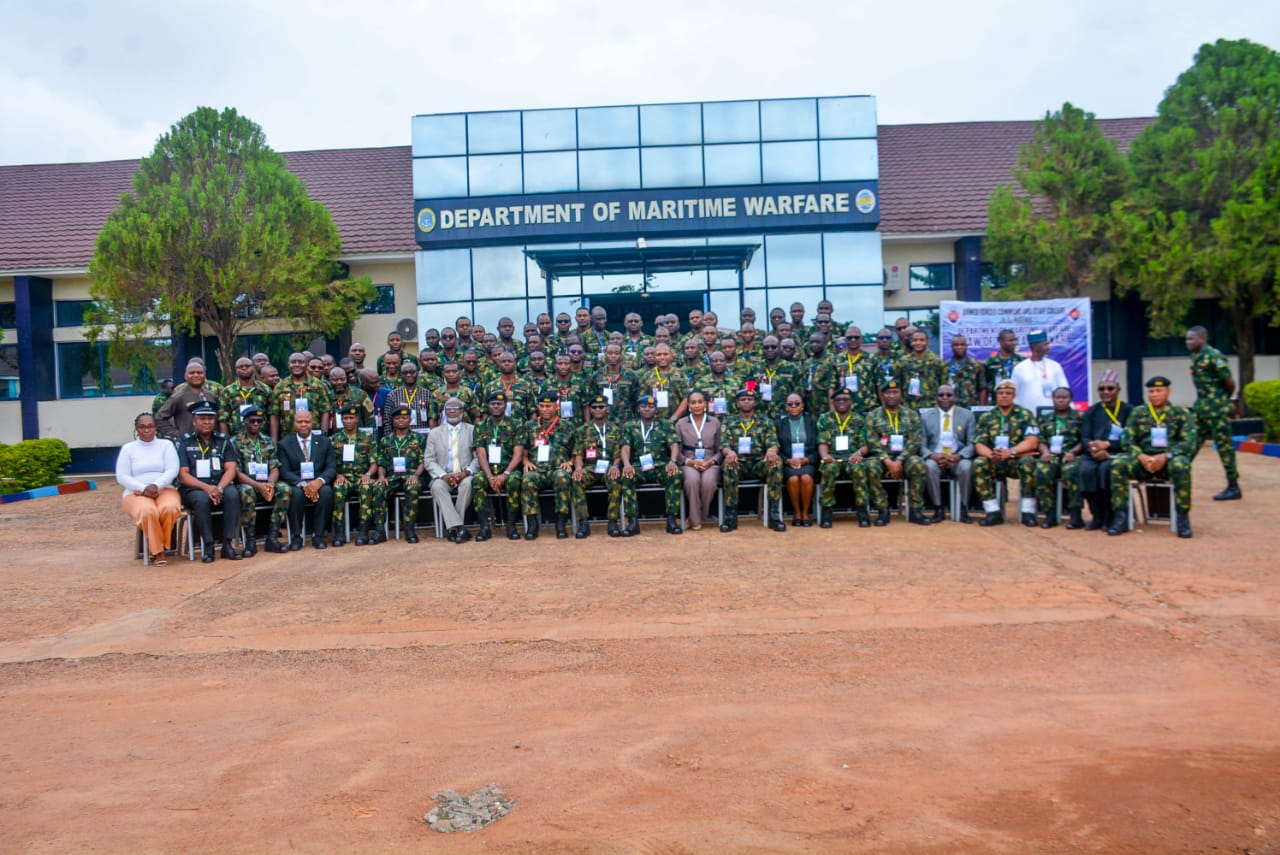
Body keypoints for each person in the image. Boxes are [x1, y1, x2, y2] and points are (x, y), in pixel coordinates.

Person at [1108, 376, 1197, 539]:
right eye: (1151, 391)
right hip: (1143, 460)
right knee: (1118, 465)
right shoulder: (1138, 412)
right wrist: (1141, 456)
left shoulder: (1182, 413)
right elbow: (1127, 439)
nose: (1154, 394)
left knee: (1182, 466)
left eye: (1159, 391)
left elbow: (1189, 442)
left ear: (1168, 392)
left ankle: (1182, 518)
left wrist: (1165, 456)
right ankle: (1120, 517)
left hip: (1168, 460)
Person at [176, 400, 243, 563]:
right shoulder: (185, 442)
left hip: (220, 485)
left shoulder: (223, 440)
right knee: (202, 499)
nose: (207, 422)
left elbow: (231, 469)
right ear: (194, 421)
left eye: (210, 419)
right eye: (202, 418)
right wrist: (206, 488)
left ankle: (228, 544)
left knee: (233, 495)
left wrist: (219, 488)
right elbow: (183, 475)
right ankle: (208, 545)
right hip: (194, 488)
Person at [861, 380, 932, 526]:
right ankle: (883, 510)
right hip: (881, 458)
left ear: (901, 394)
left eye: (895, 392)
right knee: (870, 466)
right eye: (888, 393)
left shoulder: (911, 415)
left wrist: (899, 461)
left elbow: (915, 441)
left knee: (918, 464)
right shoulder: (873, 416)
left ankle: (915, 510)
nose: (891, 396)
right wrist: (888, 461)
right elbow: (872, 441)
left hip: (905, 457)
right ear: (882, 395)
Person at [116, 412, 182, 565]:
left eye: (150, 426)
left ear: (156, 428)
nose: (146, 430)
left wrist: (156, 485)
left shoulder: (166, 445)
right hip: (136, 492)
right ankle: (159, 552)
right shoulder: (128, 449)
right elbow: (122, 476)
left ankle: (156, 546)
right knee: (147, 511)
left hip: (164, 488)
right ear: (136, 429)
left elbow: (172, 469)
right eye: (142, 427)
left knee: (170, 508)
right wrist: (143, 487)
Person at [973, 378, 1040, 526]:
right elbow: (979, 444)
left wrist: (1011, 452)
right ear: (995, 396)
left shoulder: (1025, 414)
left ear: (1014, 395)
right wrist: (991, 455)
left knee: (1029, 463)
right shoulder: (987, 417)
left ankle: (1028, 512)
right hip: (995, 460)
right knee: (978, 463)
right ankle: (992, 511)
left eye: (1008, 393)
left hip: (1016, 459)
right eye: (1001, 393)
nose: (1004, 396)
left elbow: (1032, 440)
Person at [1186, 326, 1241, 500]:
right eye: (1187, 339)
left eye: (1191, 339)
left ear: (1202, 339)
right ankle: (1178, 477)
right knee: (1191, 442)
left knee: (1224, 447)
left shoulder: (1214, 356)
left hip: (1217, 410)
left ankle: (1233, 486)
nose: (1188, 342)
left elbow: (1229, 382)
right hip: (1202, 409)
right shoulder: (1195, 356)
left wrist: (1224, 401)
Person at [720, 388, 786, 532]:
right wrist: (729, 452)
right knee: (728, 464)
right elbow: (724, 445)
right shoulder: (729, 421)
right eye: (743, 400)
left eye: (750, 399)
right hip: (739, 463)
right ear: (737, 404)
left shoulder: (765, 420)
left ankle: (773, 515)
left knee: (776, 463)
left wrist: (771, 451)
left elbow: (773, 442)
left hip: (759, 463)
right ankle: (731, 516)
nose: (746, 402)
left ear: (755, 402)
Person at [619, 393, 682, 535]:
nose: (647, 409)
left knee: (675, 474)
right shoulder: (630, 425)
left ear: (656, 410)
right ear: (638, 409)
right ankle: (633, 521)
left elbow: (674, 444)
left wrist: (672, 461)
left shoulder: (665, 425)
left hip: (660, 465)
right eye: (643, 406)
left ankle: (671, 519)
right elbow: (625, 447)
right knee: (627, 477)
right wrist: (627, 464)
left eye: (651, 406)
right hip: (638, 466)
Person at [1078, 370, 1133, 531]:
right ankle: (1097, 515)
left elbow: (1130, 436)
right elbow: (1085, 436)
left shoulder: (1128, 410)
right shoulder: (1092, 411)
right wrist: (1094, 448)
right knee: (1084, 470)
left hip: (1118, 453)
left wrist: (1107, 445)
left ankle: (1111, 517)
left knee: (1106, 469)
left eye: (1110, 388)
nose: (1106, 392)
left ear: (1118, 390)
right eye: (1102, 389)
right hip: (1094, 454)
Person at [230, 406, 289, 555]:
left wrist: (270, 483)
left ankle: (273, 537)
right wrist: (258, 485)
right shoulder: (235, 442)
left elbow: (275, 466)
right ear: (244, 422)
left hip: (266, 481)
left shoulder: (269, 441)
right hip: (246, 483)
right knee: (247, 492)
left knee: (285, 489)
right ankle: (250, 541)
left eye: (259, 421)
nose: (256, 424)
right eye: (252, 421)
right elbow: (235, 471)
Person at [520, 391, 577, 540]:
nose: (545, 409)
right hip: (537, 469)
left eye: (548, 406)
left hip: (558, 468)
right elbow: (523, 450)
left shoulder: (568, 426)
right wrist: (525, 462)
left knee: (563, 478)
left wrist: (570, 462)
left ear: (556, 406)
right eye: (542, 406)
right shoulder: (529, 426)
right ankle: (532, 524)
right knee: (527, 479)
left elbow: (576, 450)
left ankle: (561, 523)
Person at [277, 409, 336, 550]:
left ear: (313, 423)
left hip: (318, 482)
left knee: (327, 492)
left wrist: (318, 482)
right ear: (294, 424)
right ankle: (297, 537)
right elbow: (284, 471)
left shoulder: (324, 442)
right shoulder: (284, 444)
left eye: (307, 421)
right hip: (297, 483)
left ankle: (319, 536)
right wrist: (304, 485)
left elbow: (331, 468)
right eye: (299, 422)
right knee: (295, 495)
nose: (303, 425)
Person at [472, 391, 526, 542]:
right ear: (488, 406)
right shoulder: (480, 427)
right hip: (488, 470)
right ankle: (484, 527)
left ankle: (511, 525)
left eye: (499, 404)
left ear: (505, 406)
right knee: (477, 480)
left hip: (510, 470)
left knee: (515, 481)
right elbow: (481, 455)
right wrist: (489, 477)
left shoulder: (516, 424)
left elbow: (518, 454)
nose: (496, 406)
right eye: (493, 404)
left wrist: (505, 474)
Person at [571, 394, 627, 538]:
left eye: (601, 407)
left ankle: (613, 521)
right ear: (590, 410)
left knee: (615, 480)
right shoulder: (582, 430)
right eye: (594, 407)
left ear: (607, 409)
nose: (598, 410)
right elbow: (578, 454)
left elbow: (620, 452)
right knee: (576, 480)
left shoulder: (616, 429)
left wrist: (615, 465)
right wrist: (578, 468)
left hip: (609, 466)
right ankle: (583, 523)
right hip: (590, 467)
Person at [1030, 387, 1085, 529]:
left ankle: (1076, 515)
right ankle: (1050, 514)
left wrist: (1073, 452)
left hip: (1071, 457)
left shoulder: (1079, 418)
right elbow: (1040, 439)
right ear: (1053, 399)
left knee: (1071, 471)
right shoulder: (1045, 418)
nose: (1061, 400)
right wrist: (1045, 452)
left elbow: (1084, 440)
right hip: (1052, 457)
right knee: (1041, 470)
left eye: (1064, 397)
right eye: (1057, 397)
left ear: (1070, 399)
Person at [920, 384, 976, 523]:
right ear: (936, 398)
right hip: (935, 457)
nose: (945, 397)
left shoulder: (967, 415)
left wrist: (958, 456)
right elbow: (920, 444)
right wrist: (933, 456)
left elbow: (972, 443)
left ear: (955, 397)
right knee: (929, 466)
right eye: (941, 395)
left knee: (966, 467)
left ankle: (963, 508)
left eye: (949, 395)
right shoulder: (926, 417)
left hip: (958, 457)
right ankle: (938, 507)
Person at [816, 387, 870, 527]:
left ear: (851, 402)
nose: (841, 402)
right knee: (829, 469)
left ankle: (862, 511)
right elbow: (822, 442)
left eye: (845, 399)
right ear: (832, 402)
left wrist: (858, 454)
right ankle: (827, 512)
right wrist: (825, 456)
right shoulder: (825, 419)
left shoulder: (859, 419)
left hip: (853, 457)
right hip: (833, 457)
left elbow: (866, 445)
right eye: (838, 400)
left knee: (859, 468)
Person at [425, 397, 477, 542]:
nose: (452, 412)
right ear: (444, 412)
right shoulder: (434, 433)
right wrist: (443, 475)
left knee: (469, 484)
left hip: (465, 474)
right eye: (449, 409)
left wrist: (466, 472)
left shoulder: (472, 430)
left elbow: (478, 457)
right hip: (444, 476)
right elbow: (429, 460)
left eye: (456, 408)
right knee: (436, 487)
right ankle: (460, 528)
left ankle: (453, 528)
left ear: (462, 411)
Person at [330, 404, 381, 547]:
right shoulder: (334, 439)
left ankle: (363, 532)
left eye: (352, 418)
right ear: (341, 420)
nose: (349, 421)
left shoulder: (367, 437)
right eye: (345, 418)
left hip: (361, 477)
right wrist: (337, 475)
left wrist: (368, 474)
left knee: (366, 488)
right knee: (338, 491)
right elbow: (329, 464)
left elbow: (374, 462)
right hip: (343, 478)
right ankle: (339, 533)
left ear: (357, 419)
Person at [674, 390, 723, 531]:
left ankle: (699, 515)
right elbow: (677, 450)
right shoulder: (680, 423)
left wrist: (711, 461)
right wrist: (688, 462)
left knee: (709, 483)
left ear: (706, 404)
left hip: (710, 461)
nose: (697, 405)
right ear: (688, 405)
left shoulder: (715, 422)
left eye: (700, 402)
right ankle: (695, 520)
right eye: (693, 402)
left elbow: (720, 449)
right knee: (692, 481)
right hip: (689, 461)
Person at [776, 392, 818, 526]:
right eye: (790, 404)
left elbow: (819, 446)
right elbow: (775, 448)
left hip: (808, 461)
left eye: (797, 403)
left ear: (803, 406)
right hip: (788, 462)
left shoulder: (812, 422)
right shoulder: (778, 424)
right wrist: (787, 461)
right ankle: (796, 512)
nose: (793, 406)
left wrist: (807, 459)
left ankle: (805, 512)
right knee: (793, 479)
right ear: (786, 407)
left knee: (806, 478)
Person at [270, 352, 333, 440]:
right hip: (288, 438)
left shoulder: (318, 385)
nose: (297, 365)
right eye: (293, 362)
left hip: (313, 437)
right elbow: (274, 415)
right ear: (288, 365)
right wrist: (274, 441)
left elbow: (325, 412)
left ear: (307, 365)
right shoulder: (280, 387)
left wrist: (323, 438)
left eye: (300, 362)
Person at [1011, 329, 1068, 414]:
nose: (1049, 347)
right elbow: (1013, 394)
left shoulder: (1055, 366)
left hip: (1052, 417)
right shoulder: (1020, 368)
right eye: (1045, 344)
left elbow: (1065, 391)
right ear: (1035, 347)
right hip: (1028, 417)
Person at [156, 360, 218, 439]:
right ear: (185, 376)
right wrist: (176, 434)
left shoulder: (212, 396)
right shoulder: (178, 396)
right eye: (191, 373)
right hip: (189, 444)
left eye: (199, 373)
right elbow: (159, 418)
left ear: (204, 376)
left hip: (211, 443)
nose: (196, 375)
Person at [217, 357, 272, 437]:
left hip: (262, 438)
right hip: (236, 439)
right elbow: (223, 419)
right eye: (240, 367)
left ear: (253, 367)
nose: (244, 368)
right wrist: (225, 441)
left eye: (247, 366)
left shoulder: (265, 389)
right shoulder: (228, 391)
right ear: (236, 370)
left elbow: (272, 415)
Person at [899, 330, 947, 411]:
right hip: (909, 407)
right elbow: (898, 385)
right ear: (911, 342)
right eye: (915, 340)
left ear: (928, 342)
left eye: (922, 340)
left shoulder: (936, 361)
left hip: (932, 407)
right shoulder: (903, 362)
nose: (918, 343)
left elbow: (943, 385)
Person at [945, 335, 987, 409]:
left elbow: (982, 388)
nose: (959, 347)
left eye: (962, 345)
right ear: (951, 347)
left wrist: (981, 408)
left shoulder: (976, 365)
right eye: (956, 345)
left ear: (966, 346)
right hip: (950, 407)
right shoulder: (945, 366)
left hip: (970, 407)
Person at [983, 328, 1025, 395]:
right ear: (1000, 341)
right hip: (997, 401)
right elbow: (984, 385)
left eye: (1015, 340)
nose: (1014, 343)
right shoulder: (990, 362)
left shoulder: (1022, 361)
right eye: (1010, 340)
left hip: (1018, 400)